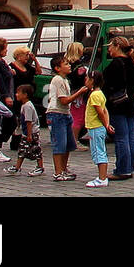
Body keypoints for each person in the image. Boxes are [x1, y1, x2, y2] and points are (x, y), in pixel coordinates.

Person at [102, 35, 134, 179]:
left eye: (110, 46)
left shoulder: (115, 64)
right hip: (131, 103)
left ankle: (122, 169)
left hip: (118, 104)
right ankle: (129, 167)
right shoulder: (133, 64)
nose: (109, 49)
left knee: (121, 137)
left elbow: (108, 86)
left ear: (117, 46)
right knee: (130, 137)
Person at [46, 53, 83, 181]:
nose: (69, 66)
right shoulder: (57, 79)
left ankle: (63, 168)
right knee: (59, 144)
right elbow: (64, 100)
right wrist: (79, 92)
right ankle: (58, 172)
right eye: (66, 64)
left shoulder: (65, 80)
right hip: (57, 114)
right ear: (57, 68)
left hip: (65, 114)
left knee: (67, 144)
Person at [3, 85, 44, 176]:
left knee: (36, 149)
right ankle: (17, 167)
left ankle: (39, 167)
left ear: (25, 95)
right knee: (22, 150)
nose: (16, 94)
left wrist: (29, 135)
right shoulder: (25, 105)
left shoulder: (27, 106)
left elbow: (28, 121)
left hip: (31, 133)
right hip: (27, 132)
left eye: (18, 93)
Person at [84, 71, 112, 188]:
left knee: (99, 152)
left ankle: (102, 178)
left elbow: (100, 112)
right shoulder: (100, 94)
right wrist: (107, 124)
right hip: (97, 127)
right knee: (99, 151)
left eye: (87, 78)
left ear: (92, 80)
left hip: (95, 127)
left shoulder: (94, 95)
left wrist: (106, 124)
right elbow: (105, 110)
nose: (85, 80)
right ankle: (102, 177)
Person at [63, 41, 89, 144]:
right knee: (78, 118)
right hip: (78, 95)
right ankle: (74, 140)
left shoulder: (66, 63)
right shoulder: (79, 66)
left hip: (69, 92)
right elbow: (81, 81)